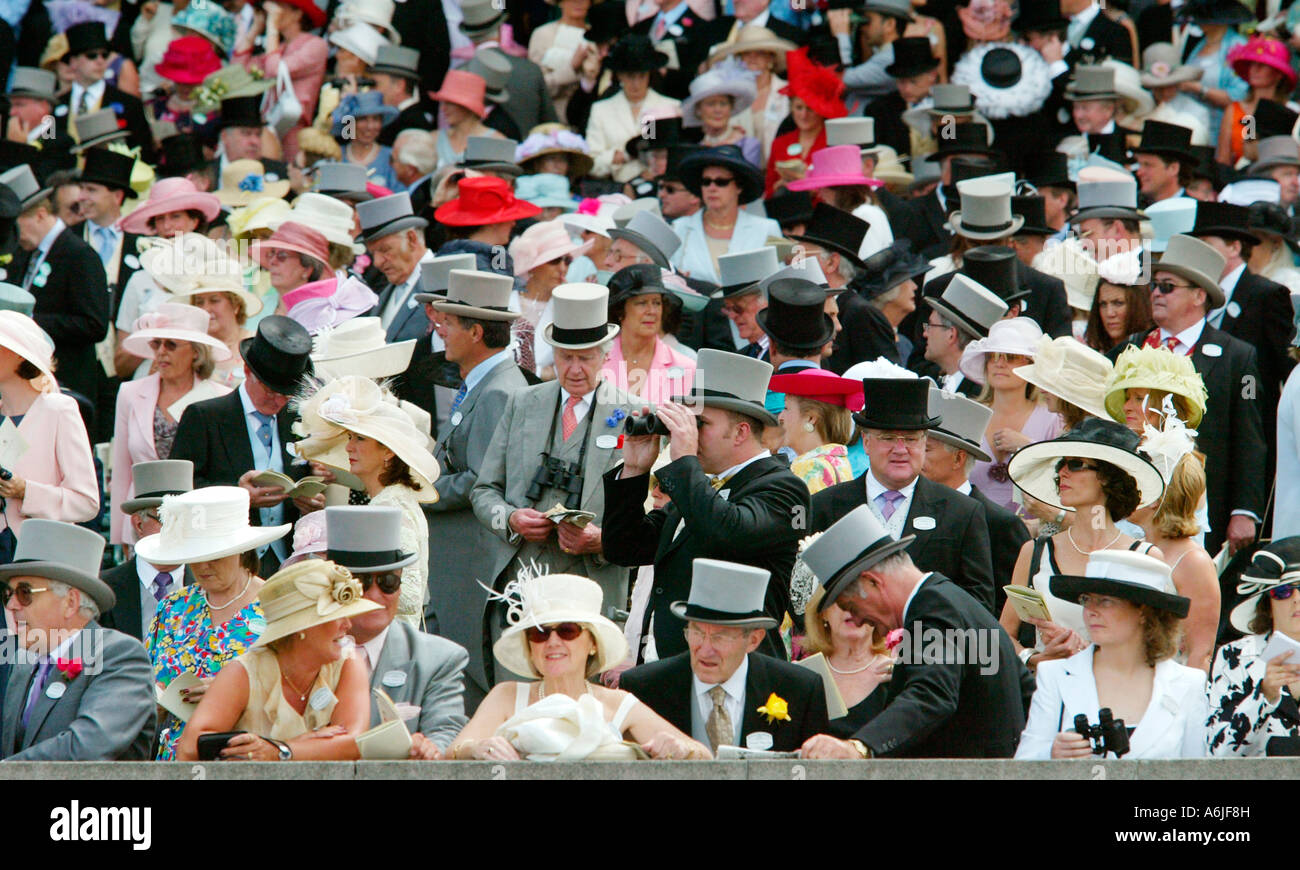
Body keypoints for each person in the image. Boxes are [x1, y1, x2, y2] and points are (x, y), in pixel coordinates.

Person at [470, 284, 636, 692]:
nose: (575, 369)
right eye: (566, 358)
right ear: (553, 355)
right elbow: (483, 491)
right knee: (517, 704)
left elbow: (650, 518)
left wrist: (601, 540)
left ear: (605, 356)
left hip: (593, 596)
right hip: (522, 591)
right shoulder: (523, 404)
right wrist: (510, 518)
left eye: (585, 358)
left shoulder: (633, 416)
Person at [603, 348, 808, 662]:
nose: (688, 435)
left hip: (737, 672)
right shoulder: (701, 487)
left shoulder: (783, 488)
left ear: (740, 432)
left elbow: (725, 532)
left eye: (699, 425)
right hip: (671, 672)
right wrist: (634, 471)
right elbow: (625, 548)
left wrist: (685, 461)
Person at [798, 505, 1032, 758]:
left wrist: (859, 747)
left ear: (873, 582)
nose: (857, 619)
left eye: (851, 606)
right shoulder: (957, 601)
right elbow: (1026, 691)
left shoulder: (932, 610)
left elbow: (932, 695)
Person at [1106, 234, 1267, 557]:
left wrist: (1244, 510)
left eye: (1167, 286)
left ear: (1198, 294)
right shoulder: (1130, 348)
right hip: (1132, 503)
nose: (1155, 293)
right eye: (1154, 285)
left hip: (1206, 503)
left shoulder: (1238, 356)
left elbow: (1250, 438)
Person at [448, 570, 710, 760]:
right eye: (540, 633)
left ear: (592, 643)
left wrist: (676, 748)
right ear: (530, 646)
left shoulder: (618, 703)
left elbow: (703, 756)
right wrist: (477, 749)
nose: (552, 642)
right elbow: (452, 755)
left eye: (567, 630)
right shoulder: (506, 696)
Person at [810, 377, 996, 615]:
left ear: (924, 442)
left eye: (910, 439)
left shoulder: (962, 512)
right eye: (888, 438)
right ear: (866, 442)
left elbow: (978, 605)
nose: (900, 450)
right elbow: (806, 597)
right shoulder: (825, 506)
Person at [1002, 418, 1168, 669]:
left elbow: (1157, 647)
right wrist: (1035, 658)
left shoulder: (1145, 558)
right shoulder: (1035, 551)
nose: (1062, 472)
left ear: (1108, 476)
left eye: (1076, 464)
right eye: (1062, 464)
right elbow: (1004, 634)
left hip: (1114, 697)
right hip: (1046, 695)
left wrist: (1089, 653)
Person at [136, 486, 287, 759]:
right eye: (196, 556)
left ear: (241, 551)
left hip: (248, 759)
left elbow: (297, 693)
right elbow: (147, 683)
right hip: (176, 761)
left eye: (215, 555)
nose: (204, 566)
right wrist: (155, 701)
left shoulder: (275, 607)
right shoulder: (173, 607)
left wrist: (230, 694)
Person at [177, 557, 378, 761]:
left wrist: (282, 750)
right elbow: (189, 748)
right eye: (336, 616)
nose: (347, 625)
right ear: (302, 628)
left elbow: (356, 742)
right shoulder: (243, 674)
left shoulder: (348, 663)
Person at [621, 558, 830, 752]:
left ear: (754, 640)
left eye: (720, 637)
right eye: (697, 632)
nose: (705, 649)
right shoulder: (644, 689)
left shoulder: (799, 690)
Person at [1015, 550, 1207, 759]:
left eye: (1105, 601)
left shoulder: (1188, 684)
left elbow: (1198, 769)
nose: (1091, 611)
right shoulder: (1054, 675)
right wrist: (1051, 755)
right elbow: (1024, 763)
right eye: (1086, 599)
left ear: (1143, 611)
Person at [170, 316, 319, 578]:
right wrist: (238, 497)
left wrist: (311, 500)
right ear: (247, 372)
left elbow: (307, 479)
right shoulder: (204, 416)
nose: (277, 400)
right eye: (269, 390)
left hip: (289, 560)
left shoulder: (298, 420)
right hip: (227, 560)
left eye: (286, 394)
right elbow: (178, 493)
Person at [0, 520, 155, 760]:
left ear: (70, 602)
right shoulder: (25, 661)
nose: (11, 605)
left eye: (24, 593)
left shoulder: (120, 655)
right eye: (7, 594)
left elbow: (87, 748)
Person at [294, 376, 439, 628]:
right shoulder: (389, 500)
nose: (349, 448)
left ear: (388, 451)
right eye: (350, 437)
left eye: (359, 439)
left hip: (389, 643)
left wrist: (339, 579)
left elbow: (411, 597)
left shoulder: (391, 507)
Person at [328, 506, 469, 758]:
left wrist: (429, 750)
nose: (374, 595)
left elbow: (446, 731)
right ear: (334, 588)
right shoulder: (303, 649)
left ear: (401, 584)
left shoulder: (438, 658)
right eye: (361, 583)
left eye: (388, 582)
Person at [111, 304, 232, 547]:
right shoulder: (130, 393)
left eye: (172, 345)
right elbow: (122, 468)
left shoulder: (220, 398)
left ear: (196, 353)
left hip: (199, 522)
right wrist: (119, 534)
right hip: (143, 521)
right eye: (157, 344)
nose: (161, 352)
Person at [0, 164, 108, 406]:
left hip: (66, 383)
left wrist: (28, 321)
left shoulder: (79, 254)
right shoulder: (23, 253)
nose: (13, 236)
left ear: (39, 214)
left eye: (17, 225)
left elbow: (94, 324)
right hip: (23, 385)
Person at [920, 387, 1029, 622]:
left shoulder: (1000, 523)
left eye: (926, 449)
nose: (915, 455)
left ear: (958, 458)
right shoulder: (910, 507)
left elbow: (1011, 607)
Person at [0, 310, 99, 552]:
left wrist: (26, 491)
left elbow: (87, 503)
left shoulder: (58, 409)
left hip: (39, 554)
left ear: (20, 356)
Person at [1129, 431, 1220, 673]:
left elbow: (1200, 653)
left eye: (1133, 483)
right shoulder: (1136, 548)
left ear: (1155, 499)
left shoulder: (1193, 561)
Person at [961, 318, 1065, 515]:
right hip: (973, 529)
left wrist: (1027, 446)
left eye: (1010, 357)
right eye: (993, 357)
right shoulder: (968, 414)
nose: (999, 364)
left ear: (1031, 365)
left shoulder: (1052, 418)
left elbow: (1062, 476)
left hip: (1030, 531)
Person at [1207, 538, 1300, 757]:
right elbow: (1217, 753)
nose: (1296, 599)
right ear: (1267, 605)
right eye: (1283, 591)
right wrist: (1264, 696)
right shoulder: (1235, 656)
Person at [100, 460, 194, 643]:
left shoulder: (208, 587)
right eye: (166, 519)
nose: (177, 529)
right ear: (139, 524)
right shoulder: (104, 590)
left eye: (185, 519)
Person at [671, 146, 780, 285]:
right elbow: (668, 276)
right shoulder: (679, 227)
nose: (712, 188)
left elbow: (777, 280)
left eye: (721, 182)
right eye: (706, 181)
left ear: (739, 187)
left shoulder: (767, 228)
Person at [798, 583, 891, 738]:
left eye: (863, 599)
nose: (852, 608)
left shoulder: (894, 673)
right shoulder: (803, 676)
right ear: (823, 613)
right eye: (840, 600)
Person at [585, 35, 680, 183]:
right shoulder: (601, 110)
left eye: (641, 76)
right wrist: (620, 156)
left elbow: (677, 154)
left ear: (649, 74)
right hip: (618, 188)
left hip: (662, 186)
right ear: (620, 75)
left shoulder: (671, 106)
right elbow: (591, 163)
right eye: (630, 76)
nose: (636, 83)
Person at [828, 240, 929, 372]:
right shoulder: (864, 319)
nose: (915, 287)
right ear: (889, 290)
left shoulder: (905, 343)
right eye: (907, 279)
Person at [246, 0, 329, 161]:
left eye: (280, 7)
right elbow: (241, 68)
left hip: (294, 128)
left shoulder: (315, 45)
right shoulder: (279, 47)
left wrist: (271, 28)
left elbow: (274, 70)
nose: (274, 13)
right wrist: (255, 28)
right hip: (269, 126)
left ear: (297, 14)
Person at [508, 219, 590, 380]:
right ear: (531, 265)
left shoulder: (570, 310)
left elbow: (574, 366)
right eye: (554, 260)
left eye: (567, 260)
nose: (563, 268)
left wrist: (537, 373)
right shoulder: (503, 301)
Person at [602, 264, 696, 403]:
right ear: (620, 311)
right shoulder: (597, 361)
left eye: (657, 303)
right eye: (642, 303)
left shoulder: (687, 367)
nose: (651, 311)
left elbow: (693, 421)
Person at [357, 193, 437, 344]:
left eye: (385, 250)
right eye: (373, 253)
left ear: (412, 239)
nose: (377, 262)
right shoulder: (386, 291)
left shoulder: (442, 282)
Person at [708, 26, 795, 165]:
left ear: (771, 58)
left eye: (760, 52)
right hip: (739, 172)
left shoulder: (787, 91)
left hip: (778, 168)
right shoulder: (730, 94)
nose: (752, 57)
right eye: (747, 53)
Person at [765, 48, 844, 197]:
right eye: (798, 108)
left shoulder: (834, 144)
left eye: (810, 109)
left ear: (821, 110)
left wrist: (812, 188)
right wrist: (779, 187)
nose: (803, 115)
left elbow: (843, 191)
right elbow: (768, 190)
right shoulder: (780, 144)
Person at [769, 368, 859, 494]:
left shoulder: (808, 468)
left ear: (811, 419)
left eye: (786, 408)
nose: (780, 417)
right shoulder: (839, 462)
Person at [921, 274, 1009, 399]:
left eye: (930, 325)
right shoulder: (939, 382)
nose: (925, 333)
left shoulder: (979, 395)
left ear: (951, 334)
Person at [1218, 36, 1294, 167]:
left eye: (1262, 65)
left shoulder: (1292, 112)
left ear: (1278, 73)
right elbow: (1223, 160)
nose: (1255, 69)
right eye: (1252, 64)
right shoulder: (1234, 110)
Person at [681, 61, 761, 167]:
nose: (718, 110)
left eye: (723, 104)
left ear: (731, 107)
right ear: (699, 110)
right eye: (711, 104)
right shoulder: (694, 150)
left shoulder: (748, 146)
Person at [253, 222, 333, 319]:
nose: (272, 261)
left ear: (307, 269)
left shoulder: (321, 312)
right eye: (272, 253)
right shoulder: (258, 307)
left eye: (282, 256)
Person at [425, 70, 502, 171]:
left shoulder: (495, 143)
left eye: (450, 103)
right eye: (443, 102)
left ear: (467, 106)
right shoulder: (432, 140)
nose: (443, 108)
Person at [333, 91, 400, 191]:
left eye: (376, 119)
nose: (370, 126)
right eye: (363, 119)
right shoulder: (335, 156)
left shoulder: (392, 157)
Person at [1084, 278, 1154, 354]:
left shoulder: (1154, 349)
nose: (1109, 313)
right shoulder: (1089, 353)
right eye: (1103, 304)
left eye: (1118, 303)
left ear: (1138, 306)